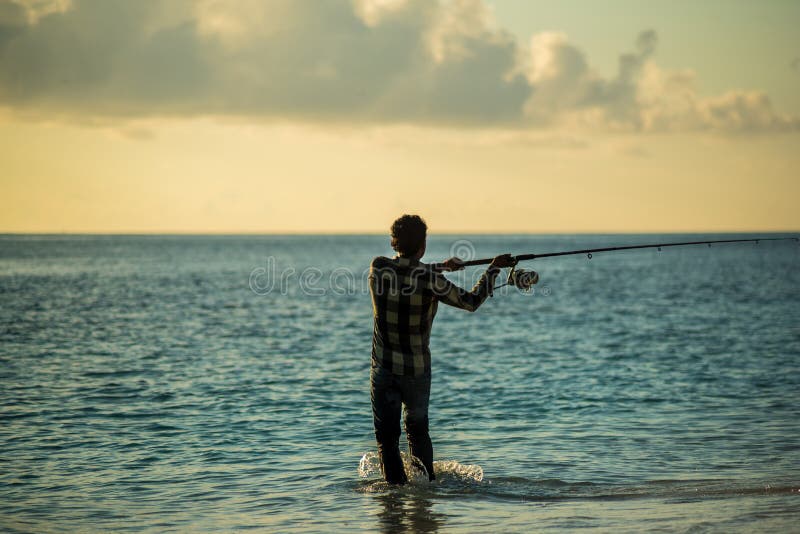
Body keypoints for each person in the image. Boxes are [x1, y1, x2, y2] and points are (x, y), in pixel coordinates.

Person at [368, 214, 515, 484]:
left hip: (384, 369)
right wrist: (493, 269)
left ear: (393, 243)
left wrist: (442, 267)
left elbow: (407, 270)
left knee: (387, 439)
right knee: (417, 432)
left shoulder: (379, 268)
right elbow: (472, 301)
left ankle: (393, 497)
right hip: (417, 371)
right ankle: (426, 492)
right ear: (422, 246)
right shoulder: (431, 280)